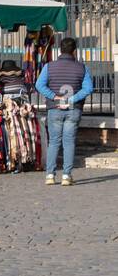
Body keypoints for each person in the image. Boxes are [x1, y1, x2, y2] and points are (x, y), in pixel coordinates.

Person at [36, 36, 93, 186]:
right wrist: (71, 99)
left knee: (54, 142)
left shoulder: (49, 66)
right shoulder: (82, 67)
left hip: (54, 109)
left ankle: (50, 175)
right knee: (69, 142)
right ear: (74, 51)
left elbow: (39, 85)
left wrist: (54, 96)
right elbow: (88, 88)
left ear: (59, 50)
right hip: (74, 110)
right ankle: (67, 176)